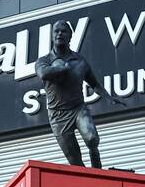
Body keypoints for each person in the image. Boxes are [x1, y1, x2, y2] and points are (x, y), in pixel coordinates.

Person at [35, 20, 125, 168]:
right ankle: (88, 185)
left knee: (91, 138)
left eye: (63, 31)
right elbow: (43, 73)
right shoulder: (44, 61)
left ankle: (97, 168)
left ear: (70, 36)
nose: (59, 34)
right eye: (56, 31)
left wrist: (109, 98)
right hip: (58, 116)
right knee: (75, 160)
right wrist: (62, 69)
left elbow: (95, 84)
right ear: (52, 36)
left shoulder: (80, 61)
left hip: (78, 109)